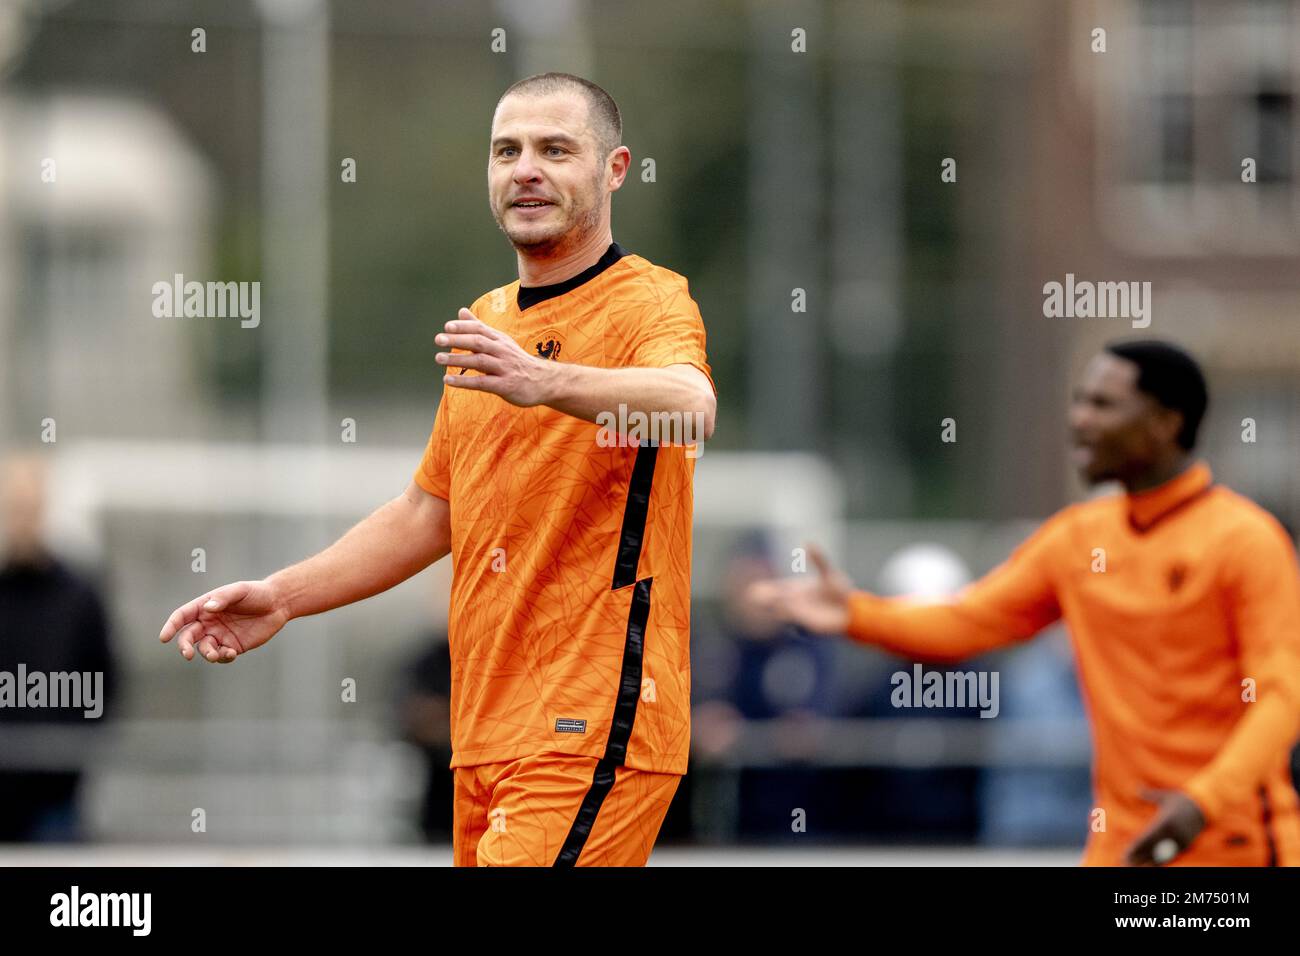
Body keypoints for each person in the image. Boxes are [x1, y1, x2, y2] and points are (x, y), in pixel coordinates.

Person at [159, 72, 716, 867]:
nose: (526, 168)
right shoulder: (484, 325)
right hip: (483, 732)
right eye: (507, 151)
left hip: (593, 724)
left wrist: (546, 382)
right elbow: (430, 513)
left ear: (614, 169)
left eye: (556, 149)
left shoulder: (650, 302)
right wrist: (282, 597)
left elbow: (690, 405)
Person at [747, 340, 1300, 866]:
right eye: (1079, 400)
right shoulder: (1077, 539)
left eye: (1103, 404)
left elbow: (1281, 697)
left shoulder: (1245, 540)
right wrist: (857, 615)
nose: (1079, 418)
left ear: (1166, 423)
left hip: (1234, 841)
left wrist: (1203, 800)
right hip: (1123, 845)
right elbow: (968, 623)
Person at [0, 451, 117, 841]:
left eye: (30, 508)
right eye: (15, 508)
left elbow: (106, 682)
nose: (23, 519)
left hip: (56, 801)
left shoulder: (78, 597)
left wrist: (69, 756)